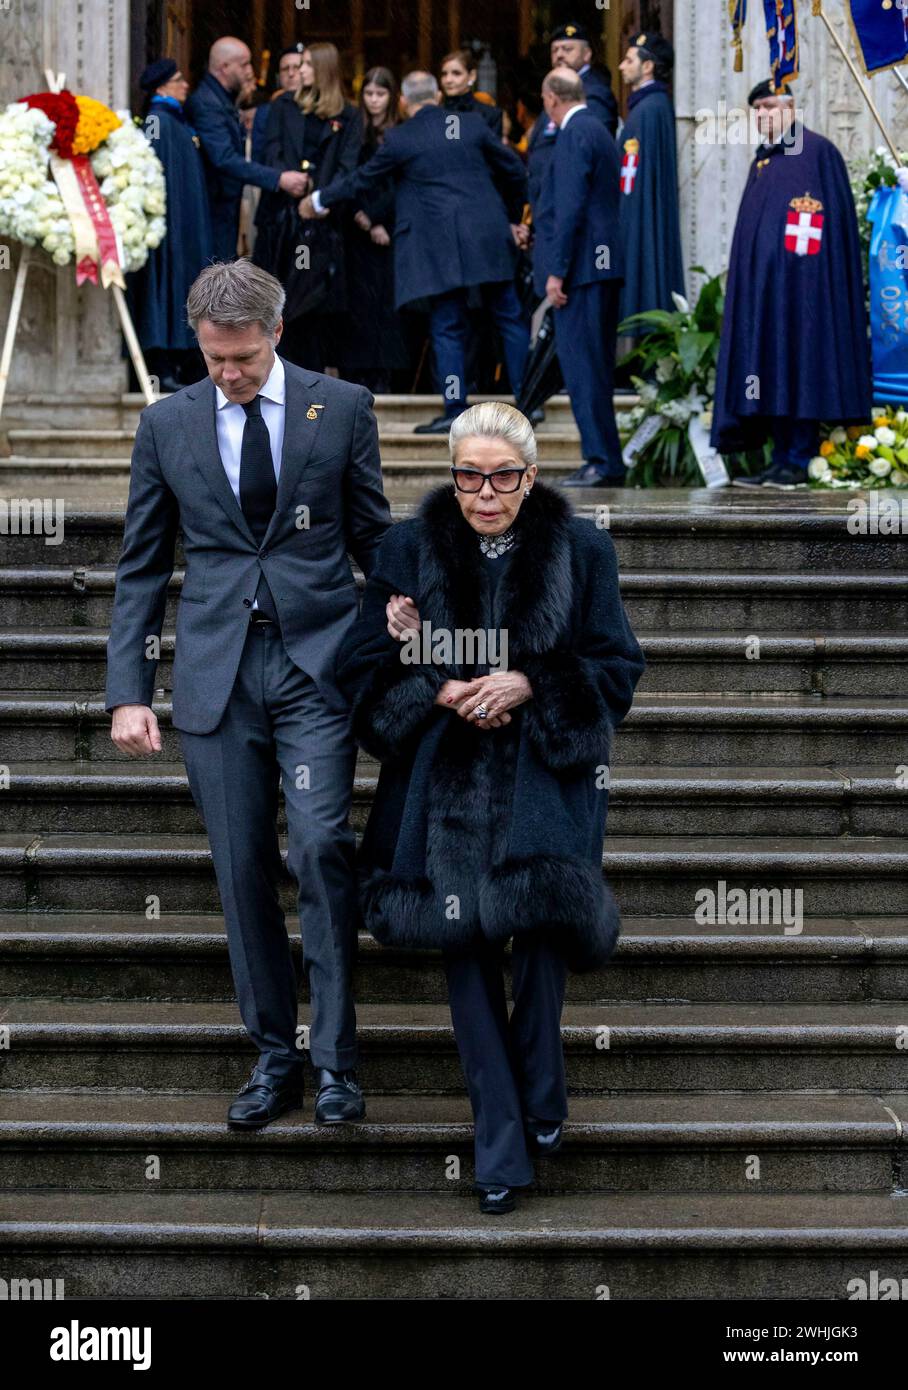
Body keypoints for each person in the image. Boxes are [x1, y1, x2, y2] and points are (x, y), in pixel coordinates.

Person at [335, 401, 645, 1214]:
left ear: (531, 476)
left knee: (541, 932)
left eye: (501, 477)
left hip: (544, 774)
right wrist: (433, 682)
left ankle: (542, 1094)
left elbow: (616, 665)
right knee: (464, 945)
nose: (483, 493)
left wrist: (531, 681)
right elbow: (360, 674)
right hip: (445, 780)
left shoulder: (583, 549)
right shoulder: (406, 549)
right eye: (468, 476)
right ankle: (500, 1146)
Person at [105, 260, 392, 1130]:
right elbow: (142, 567)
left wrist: (415, 616)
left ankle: (337, 1060)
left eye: (243, 358)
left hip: (315, 669)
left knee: (318, 850)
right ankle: (275, 1056)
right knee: (239, 874)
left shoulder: (340, 410)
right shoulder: (167, 425)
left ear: (276, 334)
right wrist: (129, 691)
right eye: (214, 358)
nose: (228, 375)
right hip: (217, 680)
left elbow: (375, 534)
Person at [301, 71, 529, 434]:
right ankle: (528, 399)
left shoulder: (401, 137)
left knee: (448, 327)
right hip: (488, 236)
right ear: (438, 95)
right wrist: (512, 216)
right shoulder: (471, 124)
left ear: (404, 103)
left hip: (440, 248)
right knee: (510, 317)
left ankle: (456, 409)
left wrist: (318, 199)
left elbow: (363, 178)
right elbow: (515, 171)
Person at [713, 81, 873, 489]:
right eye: (758, 109)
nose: (764, 115)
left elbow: (828, 224)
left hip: (808, 291)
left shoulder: (816, 152)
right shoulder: (763, 163)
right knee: (770, 366)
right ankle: (779, 458)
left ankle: (800, 457)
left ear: (791, 107)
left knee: (802, 367)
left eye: (770, 106)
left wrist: (805, 274)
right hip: (766, 294)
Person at [532, 69, 626, 487]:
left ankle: (601, 460)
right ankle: (608, 459)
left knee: (583, 368)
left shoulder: (572, 134)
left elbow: (568, 209)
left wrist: (557, 271)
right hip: (600, 267)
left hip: (582, 271)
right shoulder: (600, 129)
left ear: (551, 98)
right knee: (597, 366)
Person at [254, 42, 362, 373]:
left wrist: (320, 198)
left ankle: (312, 388)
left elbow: (350, 167)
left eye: (305, 65)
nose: (298, 70)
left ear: (324, 69)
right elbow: (269, 151)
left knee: (315, 309)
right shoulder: (283, 106)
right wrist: (289, 180)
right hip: (281, 222)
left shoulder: (348, 114)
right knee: (276, 303)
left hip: (322, 226)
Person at [129, 59, 212, 393]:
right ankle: (161, 363)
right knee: (166, 289)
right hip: (170, 225)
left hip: (185, 223)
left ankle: (179, 360)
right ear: (161, 87)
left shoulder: (177, 121)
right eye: (179, 80)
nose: (185, 85)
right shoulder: (156, 120)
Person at [186, 36, 309, 260]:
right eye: (244, 64)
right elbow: (224, 158)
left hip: (226, 206)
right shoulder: (207, 103)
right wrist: (279, 179)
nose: (250, 71)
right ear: (224, 67)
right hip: (214, 207)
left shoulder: (221, 98)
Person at [339, 67, 410, 393]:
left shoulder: (401, 133)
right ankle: (358, 375)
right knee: (359, 305)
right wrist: (360, 215)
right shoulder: (356, 130)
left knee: (387, 305)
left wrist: (380, 218)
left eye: (380, 94)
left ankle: (384, 375)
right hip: (357, 231)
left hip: (391, 230)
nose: (374, 101)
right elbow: (348, 177)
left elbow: (404, 183)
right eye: (369, 94)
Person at [617, 33, 686, 332]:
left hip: (642, 215)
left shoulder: (650, 108)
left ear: (648, 67)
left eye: (629, 60)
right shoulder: (645, 107)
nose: (621, 66)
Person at [251, 44, 304, 164]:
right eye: (285, 69)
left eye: (297, 67)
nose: (291, 74)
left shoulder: (320, 107)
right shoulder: (265, 112)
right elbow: (259, 157)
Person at [440, 48, 504, 138]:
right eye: (444, 74)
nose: (448, 80)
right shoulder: (432, 114)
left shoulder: (490, 115)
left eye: (456, 73)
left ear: (472, 76)